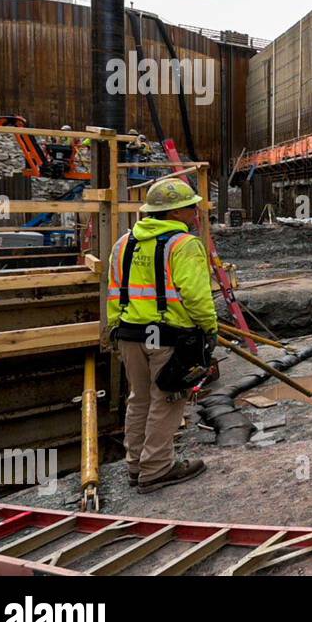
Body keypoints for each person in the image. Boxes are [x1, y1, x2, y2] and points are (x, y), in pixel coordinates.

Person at [106, 177, 217, 494]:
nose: (196, 214)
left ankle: (136, 465)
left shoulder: (123, 243)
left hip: (129, 334)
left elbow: (114, 291)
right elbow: (196, 296)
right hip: (168, 337)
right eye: (191, 208)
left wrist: (114, 328)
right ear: (175, 212)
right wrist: (209, 328)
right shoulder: (184, 246)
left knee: (138, 399)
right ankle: (156, 469)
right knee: (167, 398)